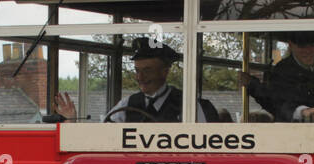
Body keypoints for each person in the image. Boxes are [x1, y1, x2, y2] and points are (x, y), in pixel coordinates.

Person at [51, 38, 216, 122]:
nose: (140, 77)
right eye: (137, 70)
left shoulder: (189, 106)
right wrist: (71, 121)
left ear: (165, 72)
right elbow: (101, 140)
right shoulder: (126, 105)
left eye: (147, 70)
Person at [239, 31, 314, 123]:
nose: (307, 51)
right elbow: (279, 104)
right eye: (301, 46)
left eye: (312, 46)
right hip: (293, 131)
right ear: (291, 45)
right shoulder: (282, 71)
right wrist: (304, 112)